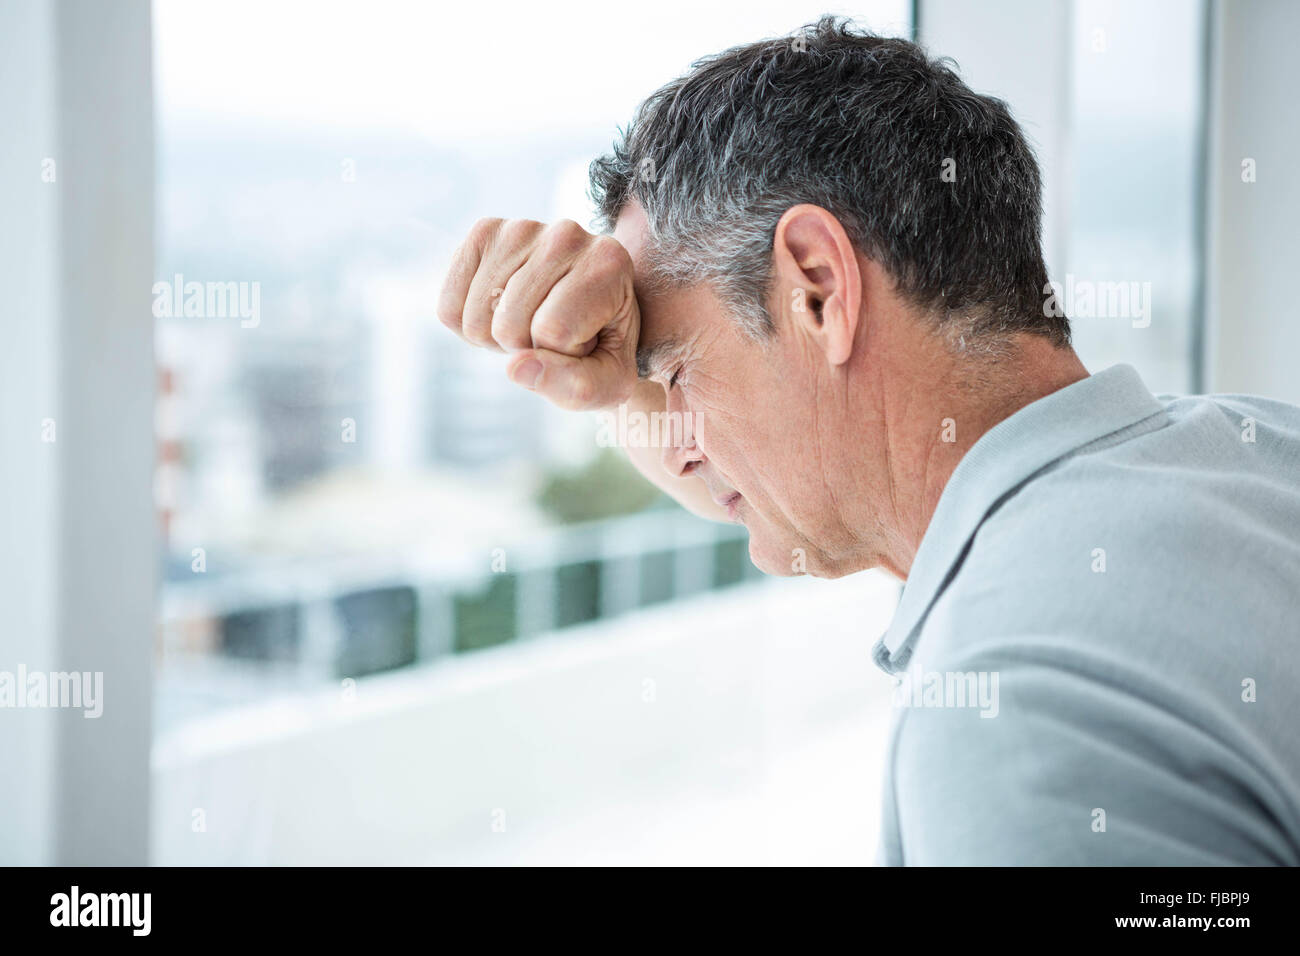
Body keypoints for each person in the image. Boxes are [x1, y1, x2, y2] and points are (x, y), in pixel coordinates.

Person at [437, 16, 1300, 865]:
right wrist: (625, 384)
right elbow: (768, 474)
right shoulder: (1255, 454)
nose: (678, 447)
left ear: (817, 289)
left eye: (673, 371)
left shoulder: (1017, 706)